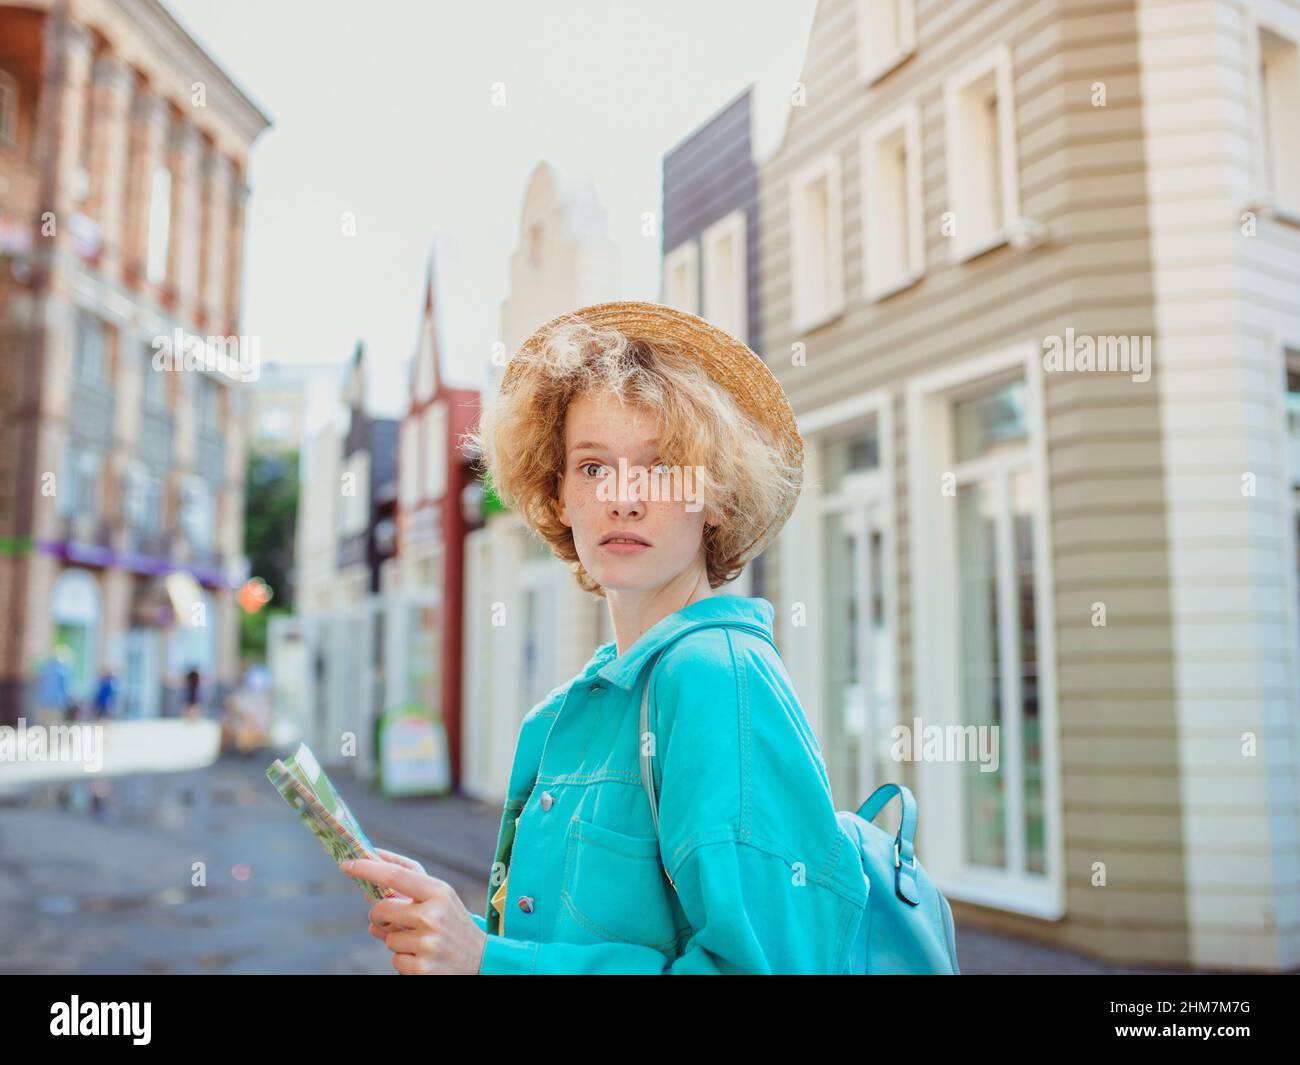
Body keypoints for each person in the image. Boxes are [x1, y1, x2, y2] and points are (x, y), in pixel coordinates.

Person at [342, 300, 868, 975]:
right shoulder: (556, 718)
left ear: (718, 497)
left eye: (659, 466)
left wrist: (492, 962)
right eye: (592, 467)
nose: (622, 496)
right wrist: (451, 930)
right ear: (557, 494)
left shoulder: (717, 677)